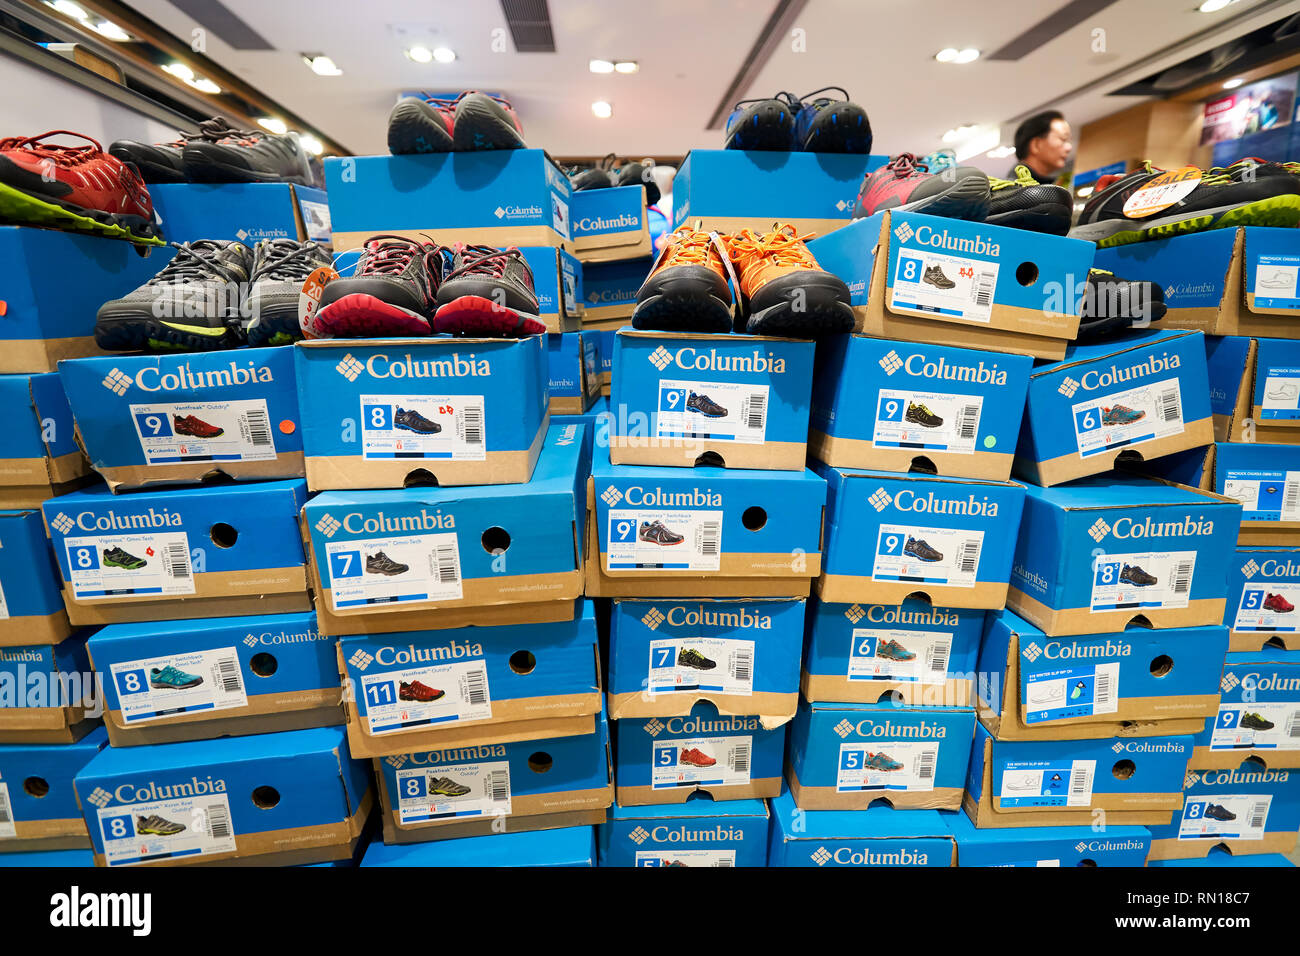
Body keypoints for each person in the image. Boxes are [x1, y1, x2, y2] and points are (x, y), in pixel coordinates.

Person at [1012, 110, 1073, 184]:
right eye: (1063, 139)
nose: (1069, 147)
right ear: (1036, 145)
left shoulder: (1047, 186)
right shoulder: (1015, 190)